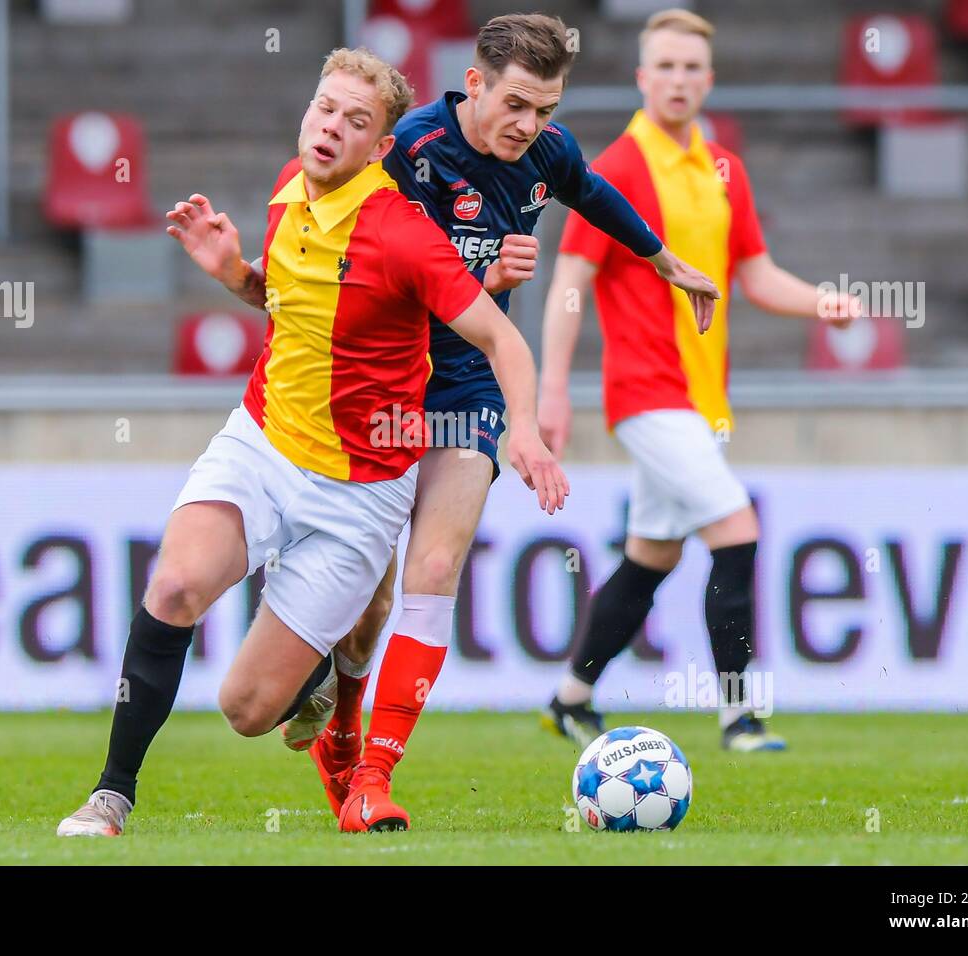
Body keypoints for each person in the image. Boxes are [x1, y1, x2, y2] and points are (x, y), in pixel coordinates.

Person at [56, 47, 567, 837]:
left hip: (360, 491)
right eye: (325, 108)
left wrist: (526, 432)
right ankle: (111, 795)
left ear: (381, 149)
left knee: (247, 709)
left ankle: (332, 678)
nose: (332, 127)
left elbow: (504, 342)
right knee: (175, 588)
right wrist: (234, 276)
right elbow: (296, 303)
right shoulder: (286, 193)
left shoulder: (405, 235)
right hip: (262, 445)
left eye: (356, 121)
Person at [287, 13, 720, 831]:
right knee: (369, 597)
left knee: (436, 567)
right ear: (475, 84)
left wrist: (665, 262)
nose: (531, 127)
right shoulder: (410, 149)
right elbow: (381, 281)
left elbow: (590, 193)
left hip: (471, 389)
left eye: (546, 110)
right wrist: (481, 270)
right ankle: (340, 729)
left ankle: (374, 780)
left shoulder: (545, 154)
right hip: (386, 385)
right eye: (518, 105)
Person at [538, 8, 862, 751]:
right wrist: (551, 387)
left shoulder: (722, 170)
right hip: (647, 394)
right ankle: (740, 716)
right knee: (737, 529)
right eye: (666, 67)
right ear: (642, 77)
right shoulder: (617, 166)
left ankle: (570, 696)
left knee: (653, 553)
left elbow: (753, 275)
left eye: (692, 68)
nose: (679, 80)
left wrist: (822, 302)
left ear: (708, 80)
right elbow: (569, 281)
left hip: (701, 399)